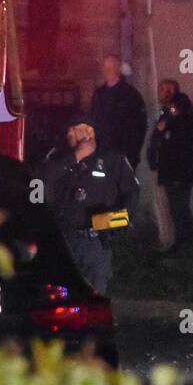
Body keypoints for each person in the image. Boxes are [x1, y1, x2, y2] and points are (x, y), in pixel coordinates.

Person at [37, 117, 139, 293]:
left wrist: (111, 224)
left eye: (74, 130)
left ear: (89, 132)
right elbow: (39, 178)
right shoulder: (60, 155)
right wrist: (76, 156)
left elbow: (132, 193)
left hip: (96, 242)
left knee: (95, 297)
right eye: (68, 131)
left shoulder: (111, 157)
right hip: (65, 238)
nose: (69, 135)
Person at [146, 79, 193, 253]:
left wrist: (163, 128)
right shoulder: (171, 109)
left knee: (178, 206)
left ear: (170, 91)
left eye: (163, 89)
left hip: (178, 167)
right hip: (171, 167)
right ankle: (182, 241)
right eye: (160, 89)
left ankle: (183, 243)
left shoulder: (179, 106)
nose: (159, 93)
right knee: (176, 206)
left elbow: (172, 129)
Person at [89, 54, 147, 169]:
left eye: (111, 67)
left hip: (123, 155)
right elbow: (93, 121)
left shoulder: (130, 95)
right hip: (102, 153)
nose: (107, 71)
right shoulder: (98, 95)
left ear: (118, 69)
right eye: (105, 67)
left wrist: (131, 152)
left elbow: (139, 125)